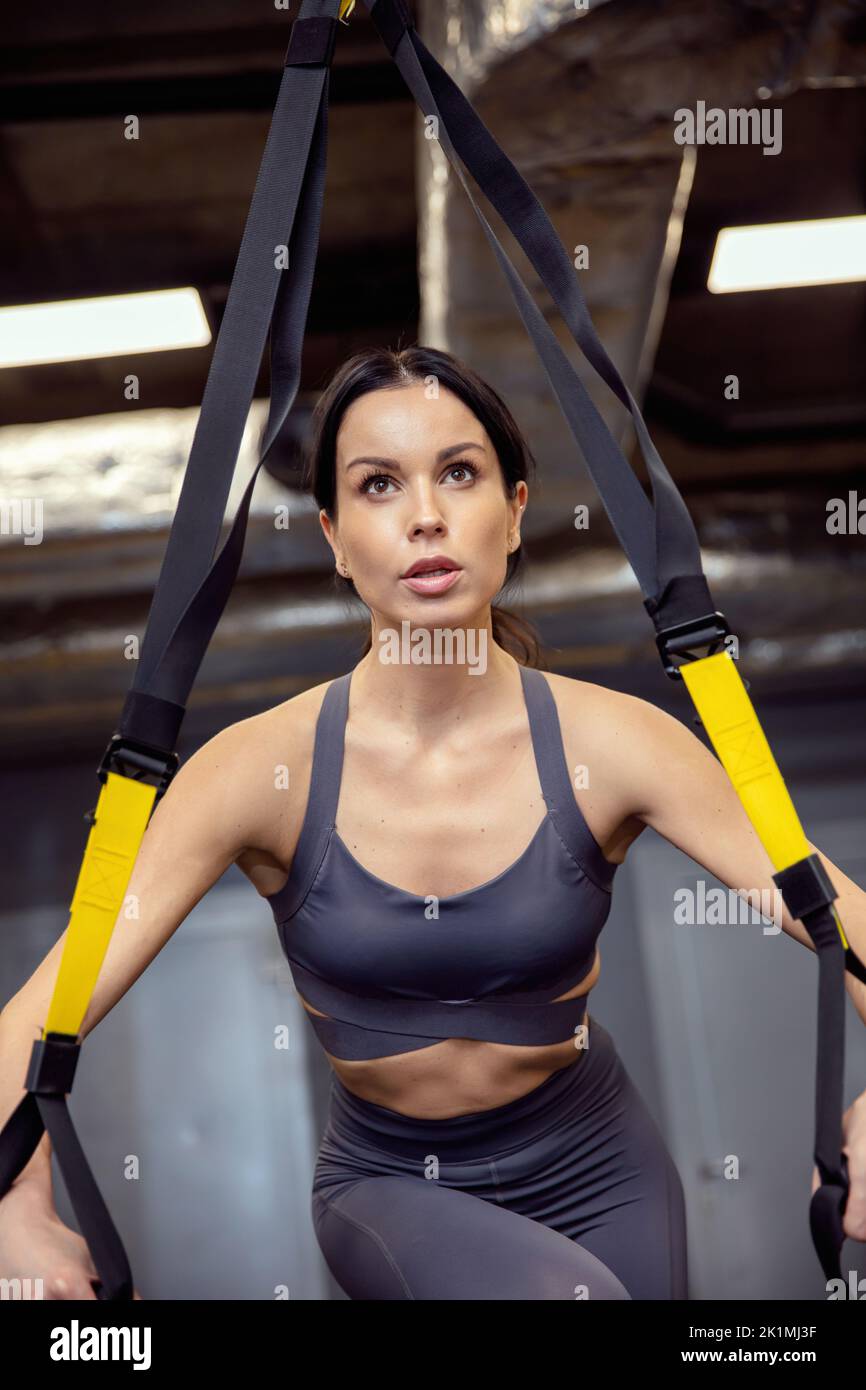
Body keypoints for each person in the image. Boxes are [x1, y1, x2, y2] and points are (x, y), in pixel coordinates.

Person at [1, 345, 864, 1301]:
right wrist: (16, 1211)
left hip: (602, 1164)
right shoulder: (257, 773)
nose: (425, 515)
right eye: (379, 485)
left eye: (460, 472)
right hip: (390, 1183)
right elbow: (36, 1020)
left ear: (516, 512)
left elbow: (843, 920)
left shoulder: (617, 745)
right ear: (333, 536)